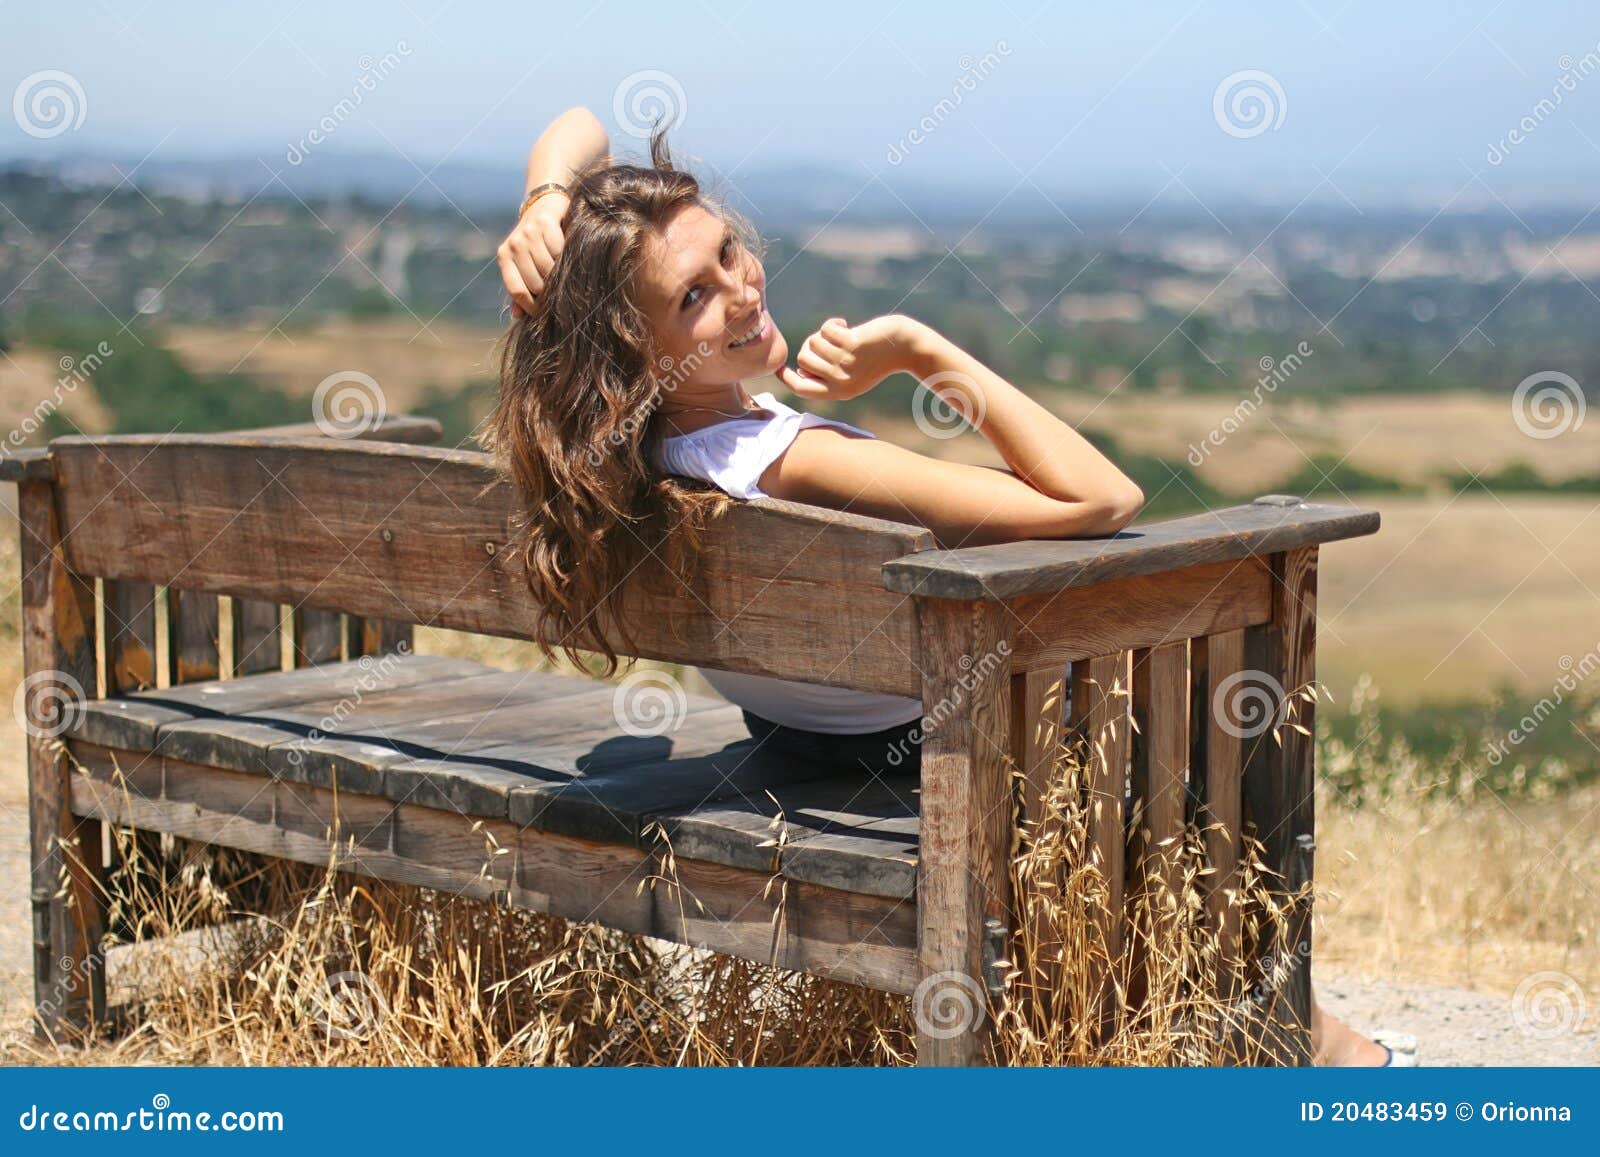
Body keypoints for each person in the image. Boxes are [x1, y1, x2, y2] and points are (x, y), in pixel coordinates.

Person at [488, 105, 1412, 1068]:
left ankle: (1262, 1030)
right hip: (918, 742)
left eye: (728, 251)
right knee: (1191, 696)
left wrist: (546, 200)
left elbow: (580, 126)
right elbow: (1102, 497)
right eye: (693, 297)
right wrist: (924, 354)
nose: (741, 289)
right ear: (634, 350)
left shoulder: (620, 460)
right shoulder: (786, 461)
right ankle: (1301, 1039)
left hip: (805, 729)